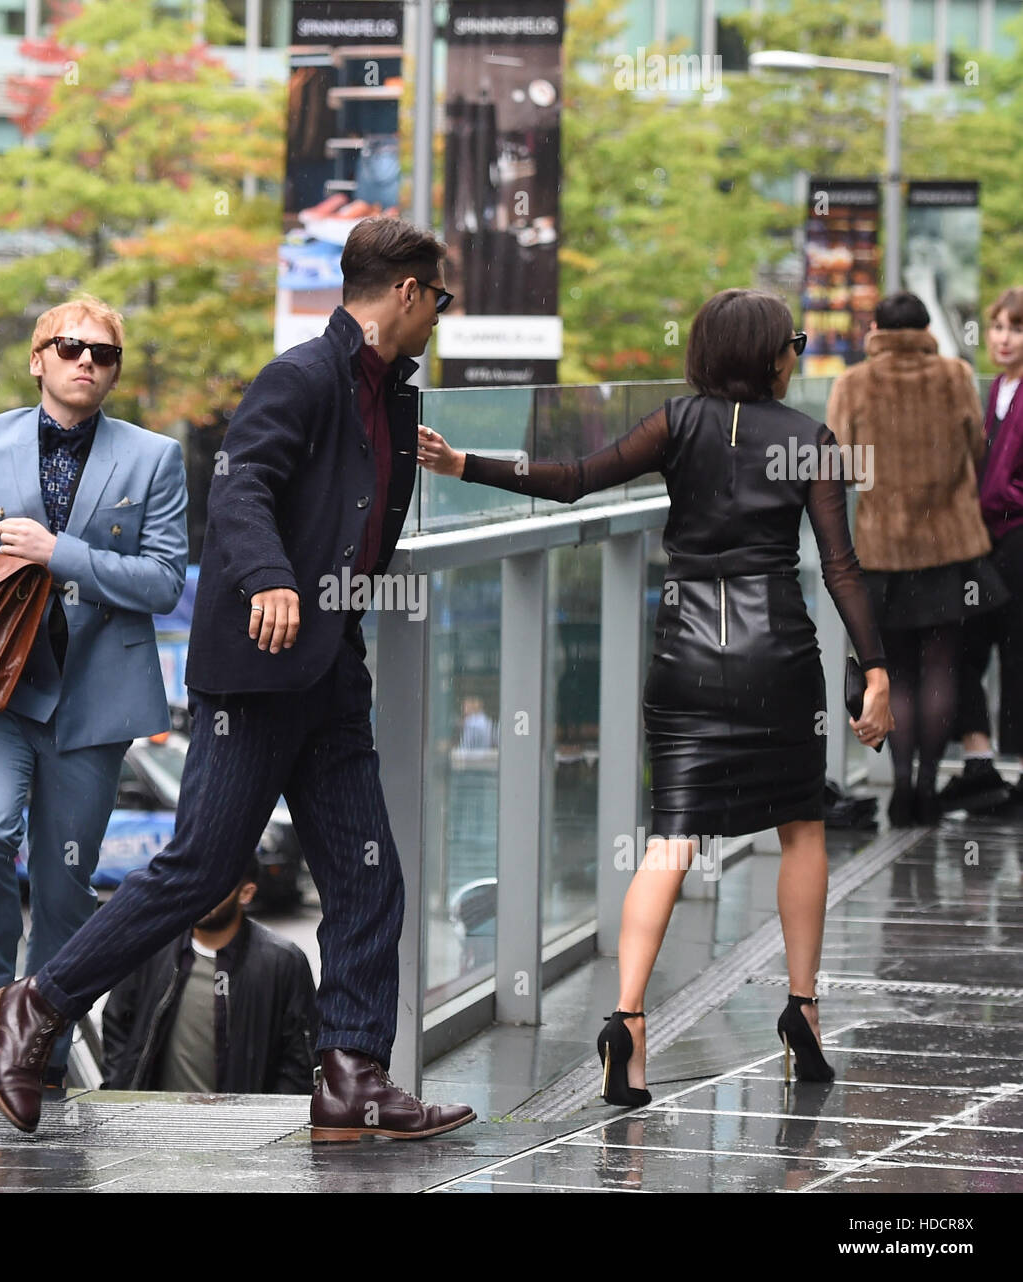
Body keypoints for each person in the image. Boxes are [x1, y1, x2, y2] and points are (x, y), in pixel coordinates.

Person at [0, 217, 475, 1141]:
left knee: (369, 877)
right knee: (200, 866)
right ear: (406, 292)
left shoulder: (393, 400)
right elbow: (241, 485)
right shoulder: (300, 377)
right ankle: (37, 1006)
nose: (440, 319)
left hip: (330, 673)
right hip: (258, 668)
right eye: (437, 300)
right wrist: (272, 579)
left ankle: (353, 1077)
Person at [419, 288, 893, 1105]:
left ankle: (628, 1021)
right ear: (774, 355)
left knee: (671, 838)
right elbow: (840, 566)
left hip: (684, 658)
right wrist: (876, 668)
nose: (799, 352)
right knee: (802, 825)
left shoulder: (674, 423)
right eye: (797, 342)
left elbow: (571, 481)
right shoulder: (810, 440)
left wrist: (466, 464)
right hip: (778, 660)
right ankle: (803, 1011)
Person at [0, 294, 188, 1086]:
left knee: (63, 877)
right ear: (38, 358)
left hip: (94, 699)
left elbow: (160, 584)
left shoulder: (153, 457)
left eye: (104, 353)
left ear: (114, 371)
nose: (87, 360)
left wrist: (63, 552)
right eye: (71, 346)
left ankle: (40, 1025)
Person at [826, 291, 1004, 826]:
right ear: (927, 328)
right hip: (949, 549)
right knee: (942, 668)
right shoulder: (955, 376)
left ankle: (901, 788)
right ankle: (929, 786)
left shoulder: (853, 383)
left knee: (895, 673)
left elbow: (842, 462)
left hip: (882, 553)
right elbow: (976, 449)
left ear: (876, 328)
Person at [101, 858, 319, 1094]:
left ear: (245, 893)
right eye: (195, 883)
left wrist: (265, 1120)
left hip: (244, 1126)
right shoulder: (151, 946)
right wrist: (121, 1089)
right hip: (156, 1122)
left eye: (215, 887)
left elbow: (301, 1058)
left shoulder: (282, 961)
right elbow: (117, 1024)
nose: (201, 895)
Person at [941, 286, 1023, 813]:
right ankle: (980, 758)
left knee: (1016, 655)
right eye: (997, 327)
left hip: (1016, 535)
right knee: (961, 646)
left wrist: (1005, 497)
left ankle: (1013, 771)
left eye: (1015, 328)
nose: (1002, 338)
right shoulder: (993, 390)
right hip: (980, 537)